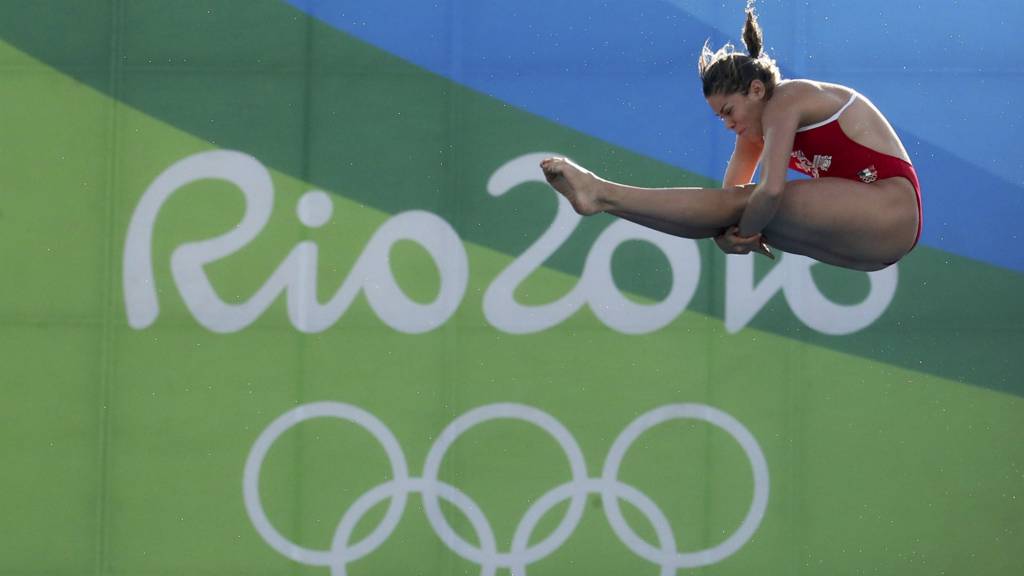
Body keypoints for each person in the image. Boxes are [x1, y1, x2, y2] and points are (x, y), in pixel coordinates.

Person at [540, 7, 921, 271]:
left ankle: (603, 192)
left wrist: (742, 231)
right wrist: (728, 236)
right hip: (873, 251)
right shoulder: (756, 130)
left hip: (891, 212)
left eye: (727, 111)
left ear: (756, 90)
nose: (726, 124)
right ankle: (600, 200)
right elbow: (725, 205)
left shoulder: (787, 100)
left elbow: (768, 193)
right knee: (735, 208)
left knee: (751, 205)